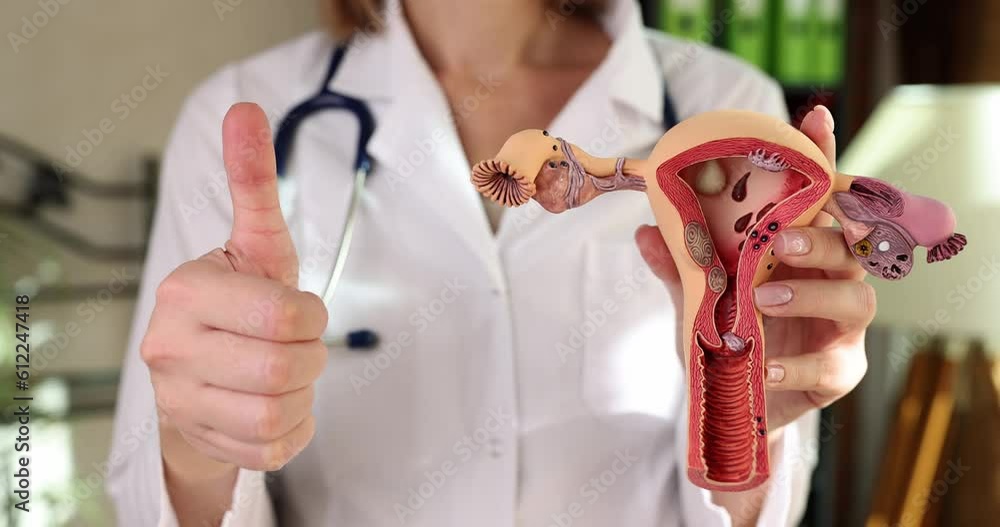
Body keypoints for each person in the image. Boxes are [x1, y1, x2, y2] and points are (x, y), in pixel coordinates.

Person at [108, 0, 875, 525]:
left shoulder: (728, 108)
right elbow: (151, 503)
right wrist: (198, 444)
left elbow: (739, 506)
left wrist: (748, 420)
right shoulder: (244, 112)